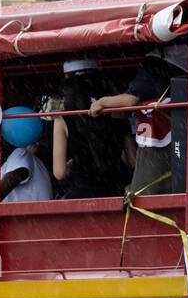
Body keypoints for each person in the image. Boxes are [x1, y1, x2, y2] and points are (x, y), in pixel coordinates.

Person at [87, 42, 188, 194]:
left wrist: (102, 102)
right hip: (184, 135)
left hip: (159, 140)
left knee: (144, 193)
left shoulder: (155, 64)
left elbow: (129, 100)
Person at [52, 58, 134, 199]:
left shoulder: (63, 119)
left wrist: (74, 164)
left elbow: (59, 172)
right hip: (116, 190)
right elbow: (133, 161)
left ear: (68, 88)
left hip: (81, 193)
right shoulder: (117, 114)